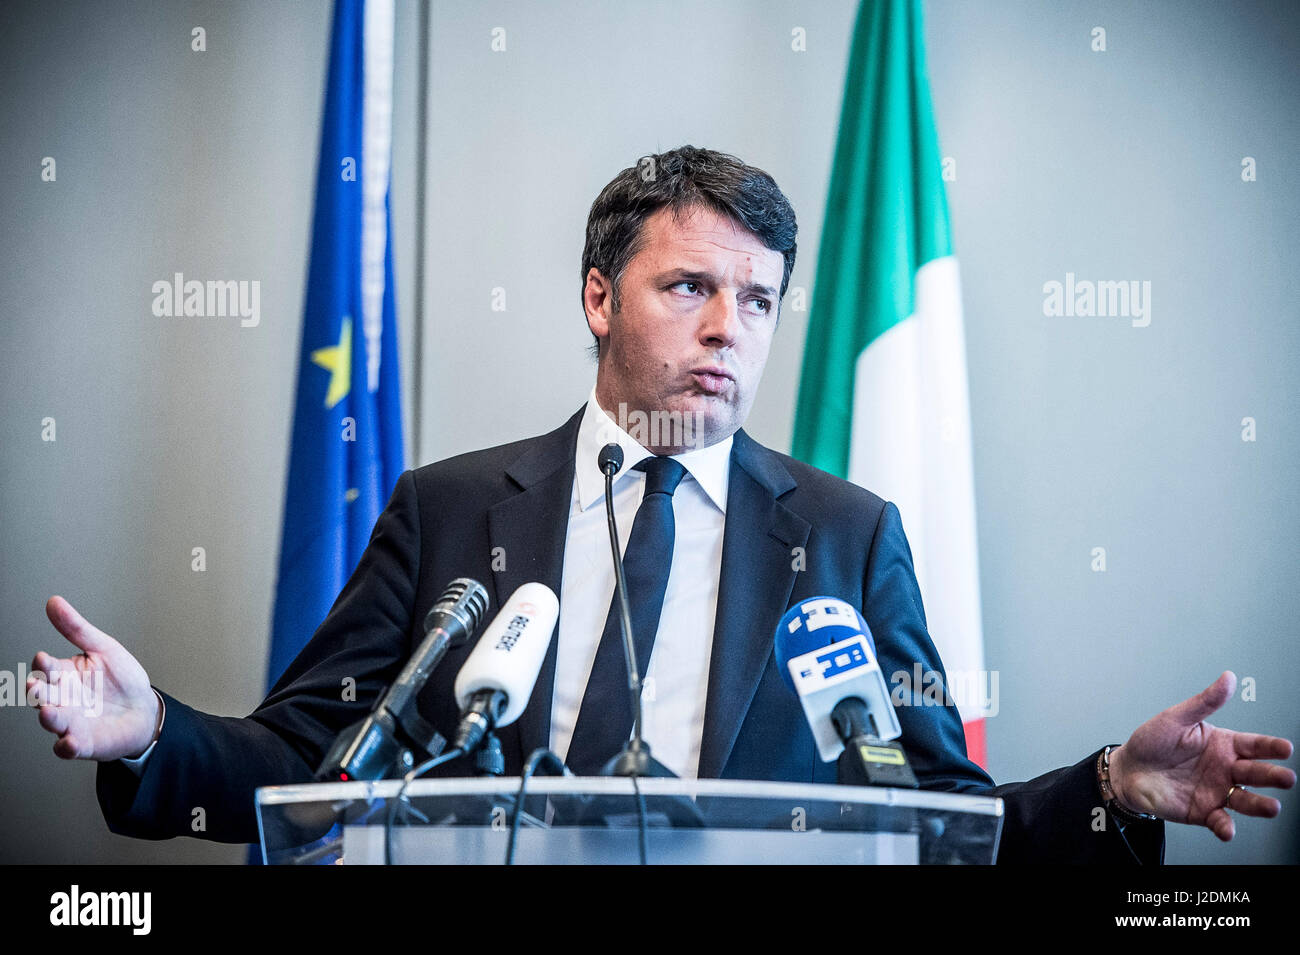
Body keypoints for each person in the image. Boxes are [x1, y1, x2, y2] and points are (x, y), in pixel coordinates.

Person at [29, 146, 1294, 862]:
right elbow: (310, 757)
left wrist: (1112, 788)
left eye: (756, 302)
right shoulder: (452, 510)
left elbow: (938, 822)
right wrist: (153, 733)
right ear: (597, 297)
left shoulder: (847, 538)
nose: (727, 331)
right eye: (688, 286)